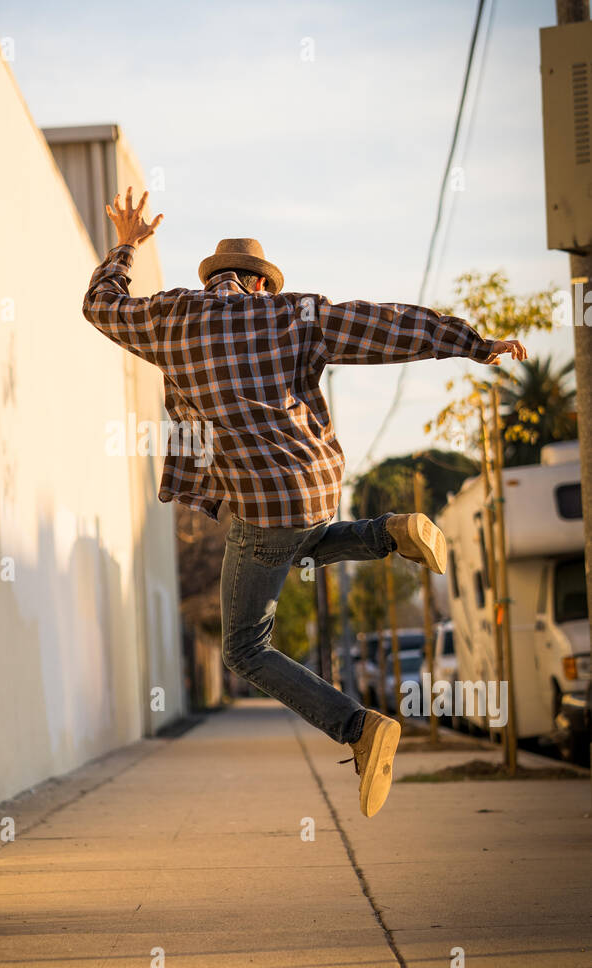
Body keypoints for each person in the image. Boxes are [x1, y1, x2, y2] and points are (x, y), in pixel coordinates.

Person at [83, 187, 527, 817]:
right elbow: (387, 325)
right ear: (263, 284)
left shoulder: (170, 318)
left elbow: (100, 305)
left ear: (215, 280)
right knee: (298, 541)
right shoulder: (297, 314)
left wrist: (127, 244)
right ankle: (390, 533)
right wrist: (473, 342)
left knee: (245, 648)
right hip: (315, 482)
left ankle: (360, 727)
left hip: (262, 501)